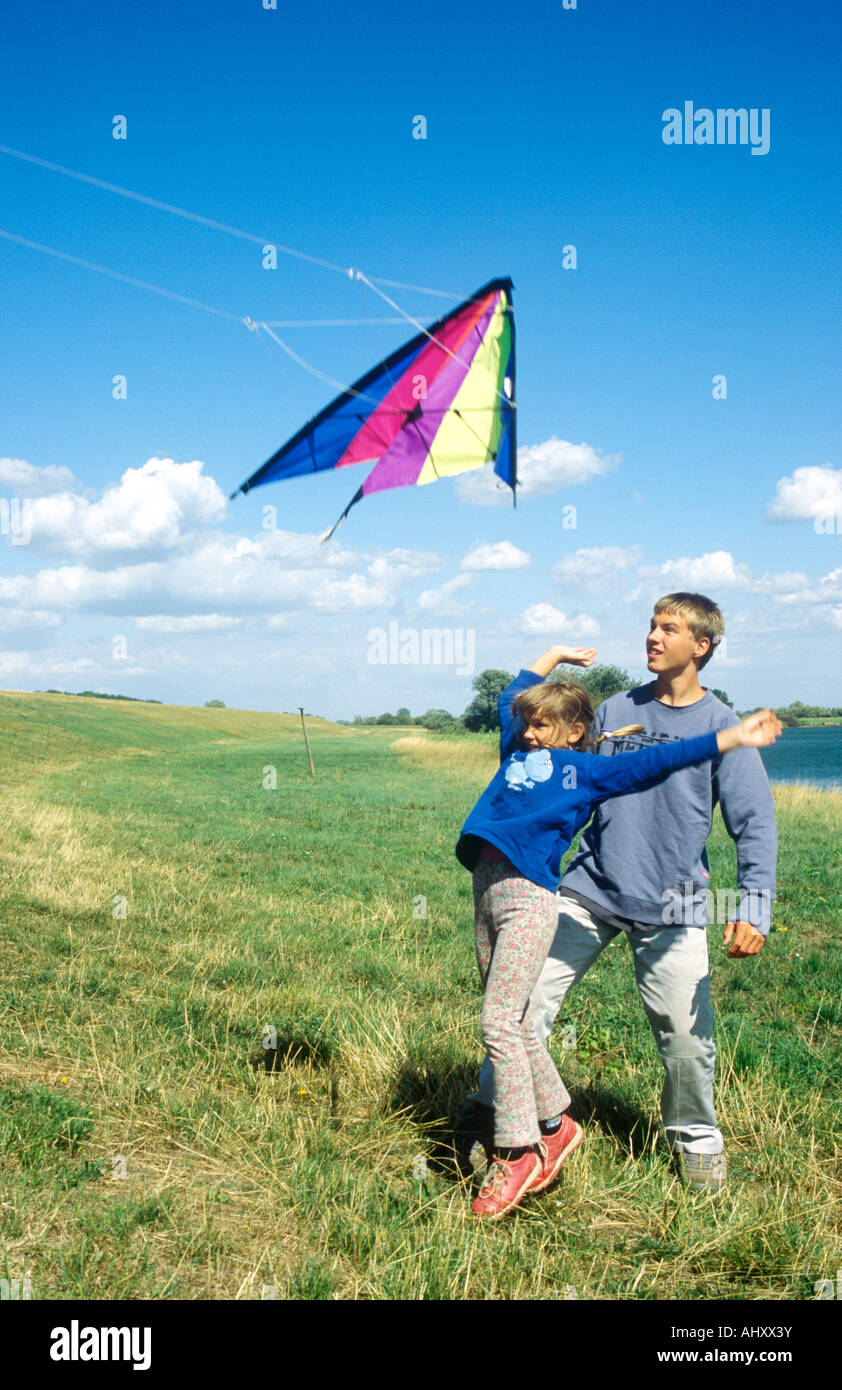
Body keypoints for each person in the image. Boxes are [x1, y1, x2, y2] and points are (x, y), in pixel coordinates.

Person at [455, 635, 781, 1219]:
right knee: (522, 1007)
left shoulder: (721, 722)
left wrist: (753, 905)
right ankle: (497, 1120)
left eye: (669, 627)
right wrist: (552, 654)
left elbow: (741, 814)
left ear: (701, 644)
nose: (652, 636)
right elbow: (528, 715)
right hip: (590, 887)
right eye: (651, 623)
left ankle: (697, 1146)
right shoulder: (612, 711)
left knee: (684, 1036)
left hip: (673, 901)